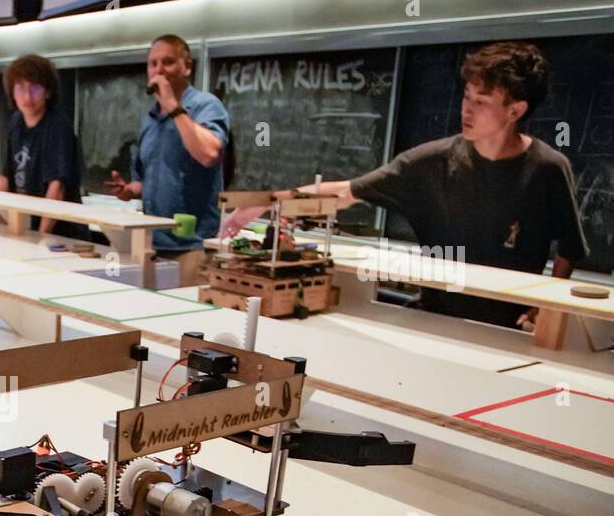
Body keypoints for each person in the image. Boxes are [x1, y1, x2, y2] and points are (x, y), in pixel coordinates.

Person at [226, 42, 587, 330]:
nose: (467, 110)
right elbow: (345, 192)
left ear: (515, 110)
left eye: (481, 102)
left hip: (507, 329)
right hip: (432, 317)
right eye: (466, 97)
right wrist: (269, 201)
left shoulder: (548, 169)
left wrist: (544, 308)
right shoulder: (429, 163)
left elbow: (568, 248)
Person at [105, 34, 229, 286]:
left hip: (192, 248)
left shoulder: (206, 106)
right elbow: (146, 180)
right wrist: (130, 190)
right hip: (151, 246)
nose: (159, 70)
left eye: (168, 62)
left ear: (187, 67)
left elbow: (209, 154)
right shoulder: (149, 119)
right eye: (153, 63)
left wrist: (173, 106)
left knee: (186, 325)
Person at [0, 54, 84, 238]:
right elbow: (5, 179)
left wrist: (40, 237)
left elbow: (56, 190)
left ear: (48, 92)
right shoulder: (16, 122)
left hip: (62, 234)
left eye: (35, 88)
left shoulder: (57, 126)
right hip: (30, 226)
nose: (27, 96)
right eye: (20, 88)